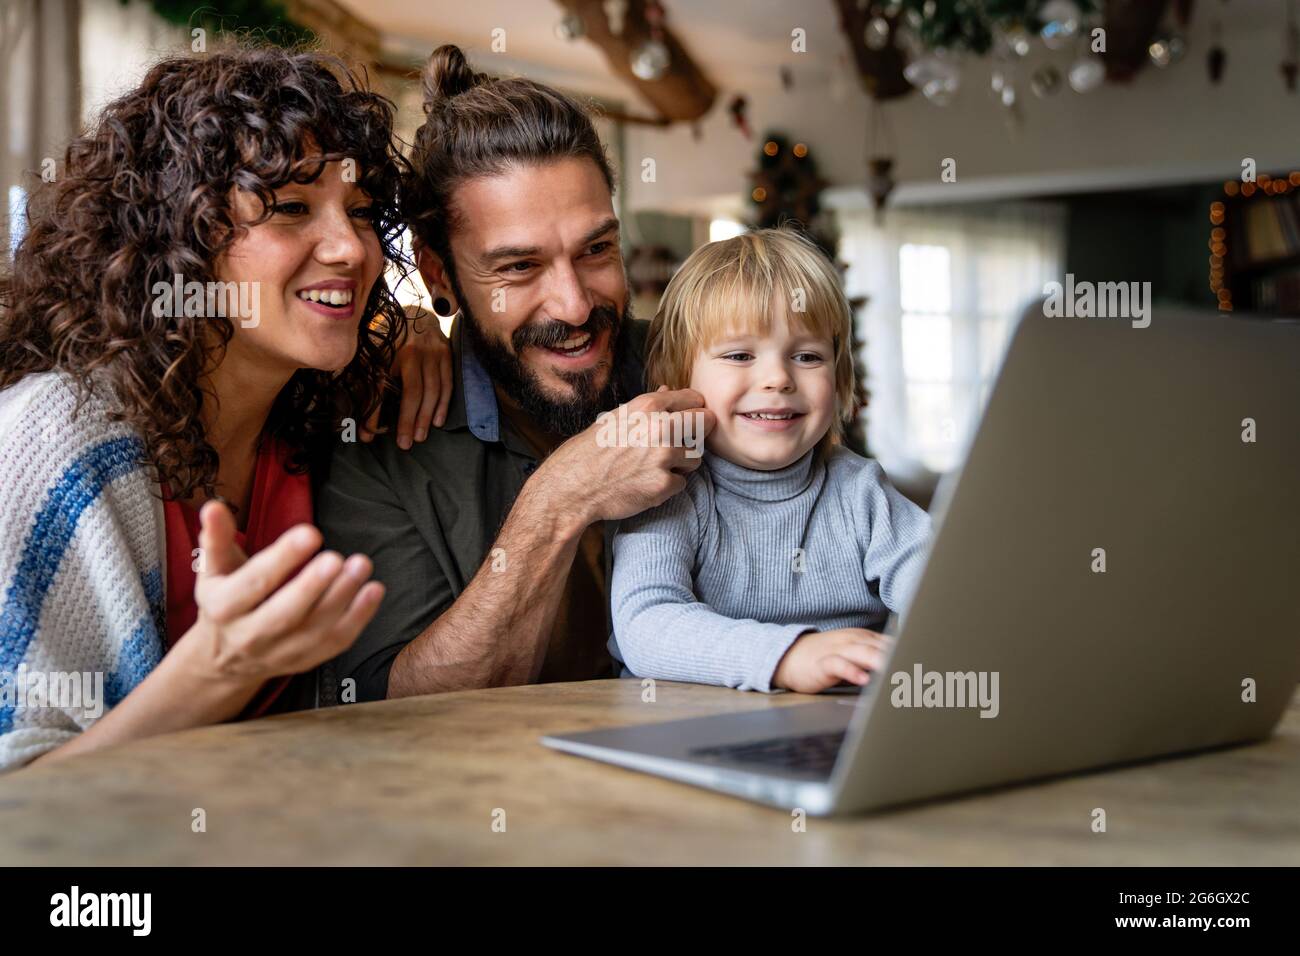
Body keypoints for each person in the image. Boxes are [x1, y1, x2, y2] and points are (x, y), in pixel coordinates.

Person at [0, 45, 450, 770]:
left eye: (361, 211)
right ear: (179, 235)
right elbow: (17, 805)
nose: (349, 248)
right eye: (291, 208)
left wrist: (424, 330)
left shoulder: (315, 407)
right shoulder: (56, 438)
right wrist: (215, 671)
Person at [318, 44, 712, 701]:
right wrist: (561, 498)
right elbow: (396, 713)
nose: (575, 305)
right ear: (439, 274)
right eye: (519, 268)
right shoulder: (376, 441)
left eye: (596, 250)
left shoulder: (702, 367)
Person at [609, 228, 932, 693]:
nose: (778, 378)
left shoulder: (862, 492)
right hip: (682, 726)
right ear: (677, 378)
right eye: (740, 355)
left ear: (839, 380)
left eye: (806, 356)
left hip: (834, 733)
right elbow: (647, 627)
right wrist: (788, 656)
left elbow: (948, 594)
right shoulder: (670, 491)